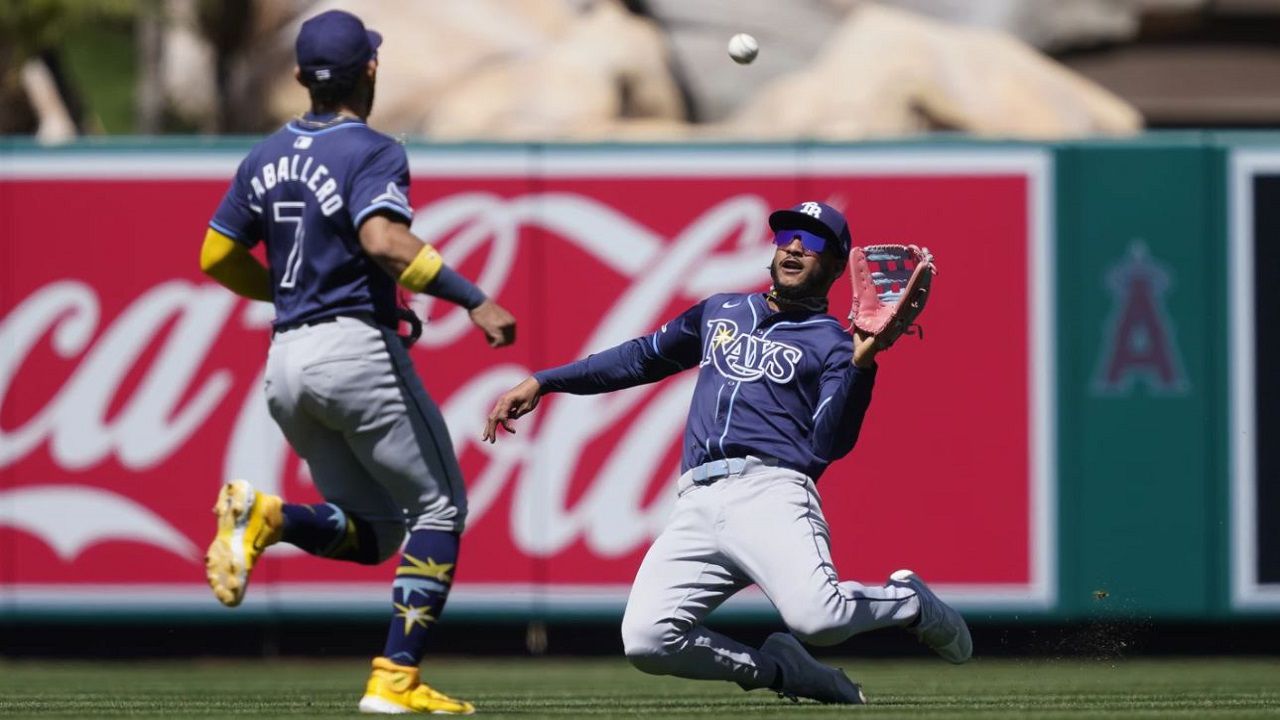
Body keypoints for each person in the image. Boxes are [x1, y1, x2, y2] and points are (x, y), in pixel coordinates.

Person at [482, 201, 971, 704]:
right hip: (696, 499)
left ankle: (910, 602)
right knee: (648, 641)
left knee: (819, 619)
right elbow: (639, 358)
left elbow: (829, 443)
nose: (797, 247)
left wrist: (861, 368)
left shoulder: (833, 344)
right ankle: (782, 672)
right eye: (788, 236)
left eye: (815, 241)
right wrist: (545, 381)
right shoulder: (722, 310)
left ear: (835, 263)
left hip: (772, 492)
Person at [199, 9, 514, 715]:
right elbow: (382, 238)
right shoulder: (371, 149)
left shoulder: (262, 156)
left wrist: (281, 292)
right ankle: (394, 681)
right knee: (440, 507)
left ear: (299, 78)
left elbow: (216, 256)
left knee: (377, 534)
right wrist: (473, 298)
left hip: (287, 364)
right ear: (369, 70)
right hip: (351, 350)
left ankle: (268, 518)